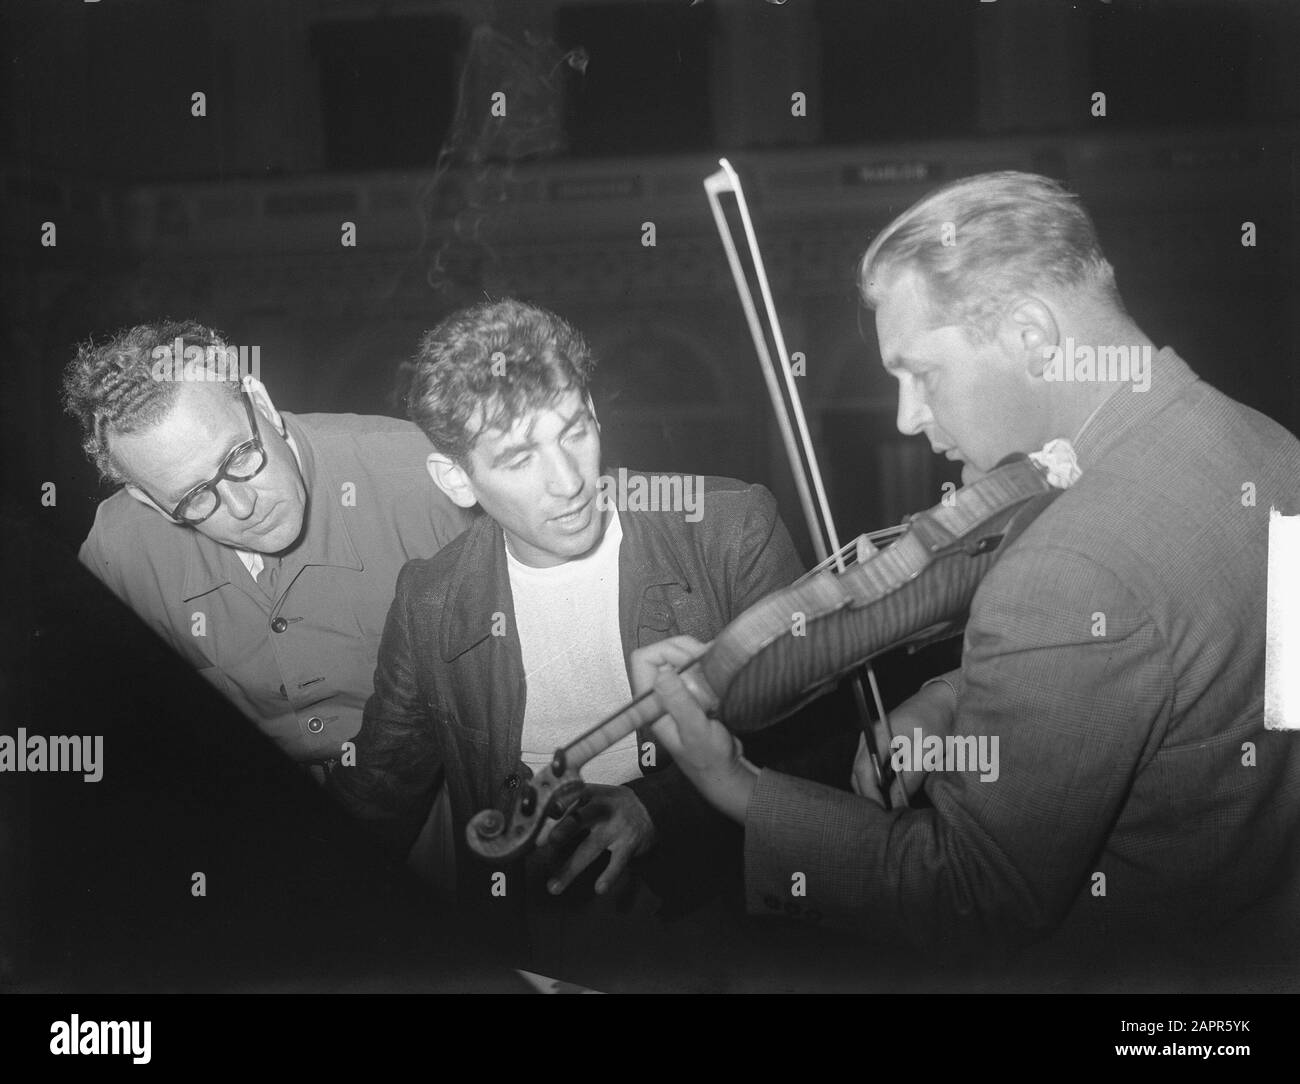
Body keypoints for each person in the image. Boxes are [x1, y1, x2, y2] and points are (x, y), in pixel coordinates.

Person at [631, 171, 1300, 984]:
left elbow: (973, 899)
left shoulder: (1065, 572)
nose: (907, 417)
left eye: (921, 372)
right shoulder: (1269, 453)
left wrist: (734, 784)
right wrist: (955, 702)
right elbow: (1248, 701)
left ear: (1031, 335)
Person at [327, 298, 820, 983]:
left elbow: (814, 737)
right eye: (519, 457)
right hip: (530, 941)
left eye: (575, 431)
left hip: (720, 923)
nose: (569, 482)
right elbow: (380, 789)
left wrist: (659, 810)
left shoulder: (729, 528)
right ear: (457, 480)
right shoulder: (429, 597)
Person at [63, 320, 473, 778]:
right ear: (145, 499)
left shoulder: (427, 479)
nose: (241, 507)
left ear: (262, 404)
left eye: (239, 457)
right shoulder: (116, 550)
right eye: (193, 497)